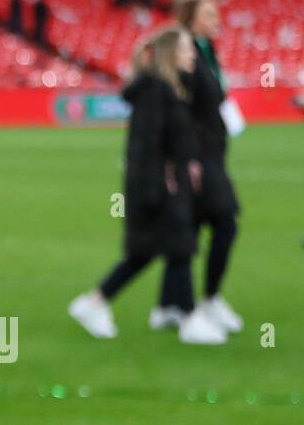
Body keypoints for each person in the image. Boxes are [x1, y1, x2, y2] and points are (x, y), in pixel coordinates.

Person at [68, 26, 226, 345]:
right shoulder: (155, 91)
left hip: (166, 183)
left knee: (151, 252)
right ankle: (189, 318)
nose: (192, 54)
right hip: (157, 186)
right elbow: (143, 145)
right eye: (185, 49)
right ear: (171, 54)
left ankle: (96, 302)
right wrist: (154, 188)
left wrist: (187, 163)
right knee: (174, 248)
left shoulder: (169, 88)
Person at [152, 0, 242, 333]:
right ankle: (208, 299)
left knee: (190, 225)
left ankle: (167, 305)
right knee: (224, 223)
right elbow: (180, 107)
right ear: (191, 19)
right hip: (197, 156)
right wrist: (183, 157)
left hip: (211, 152)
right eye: (208, 13)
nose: (217, 18)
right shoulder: (185, 55)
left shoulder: (207, 50)